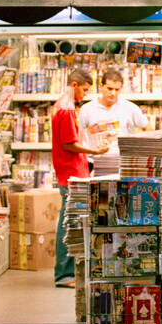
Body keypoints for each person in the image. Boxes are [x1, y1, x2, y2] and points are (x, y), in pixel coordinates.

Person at [50, 66, 95, 287]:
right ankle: (64, 274)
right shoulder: (67, 109)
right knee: (69, 225)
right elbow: (69, 144)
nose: (84, 95)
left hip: (69, 172)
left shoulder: (61, 105)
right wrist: (95, 151)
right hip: (71, 173)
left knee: (70, 222)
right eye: (84, 90)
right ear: (74, 85)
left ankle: (66, 272)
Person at [78, 67, 148, 172]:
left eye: (117, 89)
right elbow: (80, 139)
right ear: (101, 86)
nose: (113, 93)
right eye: (109, 89)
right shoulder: (87, 109)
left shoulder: (130, 107)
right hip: (94, 165)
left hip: (122, 165)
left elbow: (148, 129)